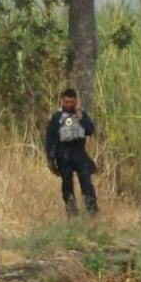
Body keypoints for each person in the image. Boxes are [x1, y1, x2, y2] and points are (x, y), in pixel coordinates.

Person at [45, 88, 98, 216]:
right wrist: (50, 159)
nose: (69, 105)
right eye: (66, 102)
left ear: (76, 102)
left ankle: (92, 213)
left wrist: (80, 118)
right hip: (63, 155)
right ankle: (72, 214)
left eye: (71, 102)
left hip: (79, 153)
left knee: (86, 184)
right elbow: (50, 138)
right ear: (63, 101)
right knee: (67, 185)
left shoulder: (80, 114)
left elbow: (90, 130)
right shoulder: (57, 117)